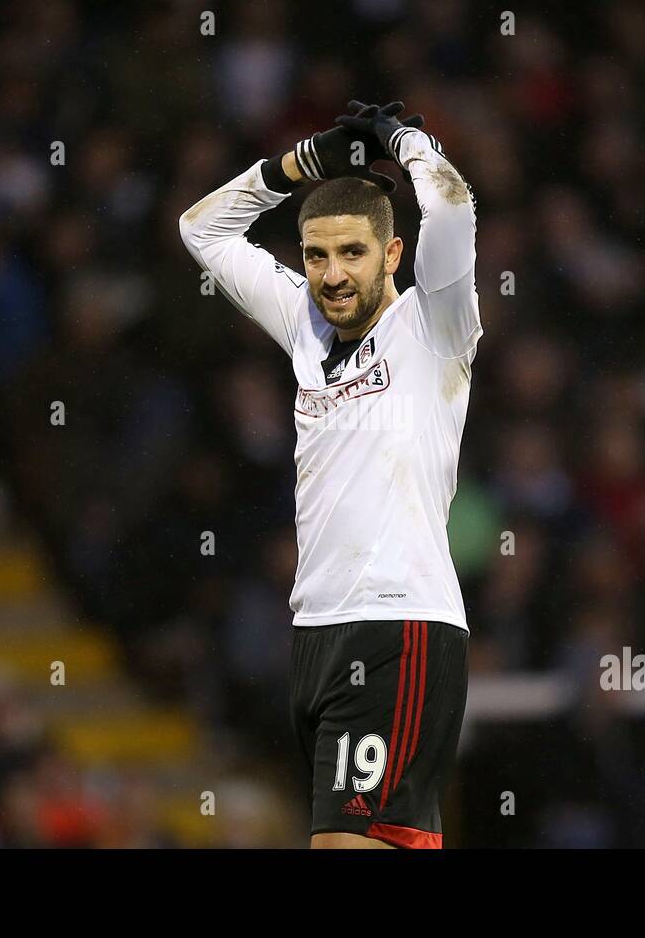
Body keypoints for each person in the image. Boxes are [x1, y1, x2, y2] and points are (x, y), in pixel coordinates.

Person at [179, 101, 481, 848]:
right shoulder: (305, 332)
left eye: (352, 252)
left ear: (393, 254)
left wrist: (406, 142)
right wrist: (302, 163)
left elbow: (454, 204)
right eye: (315, 255)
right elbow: (201, 229)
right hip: (316, 632)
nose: (331, 274)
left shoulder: (432, 326)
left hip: (398, 623)